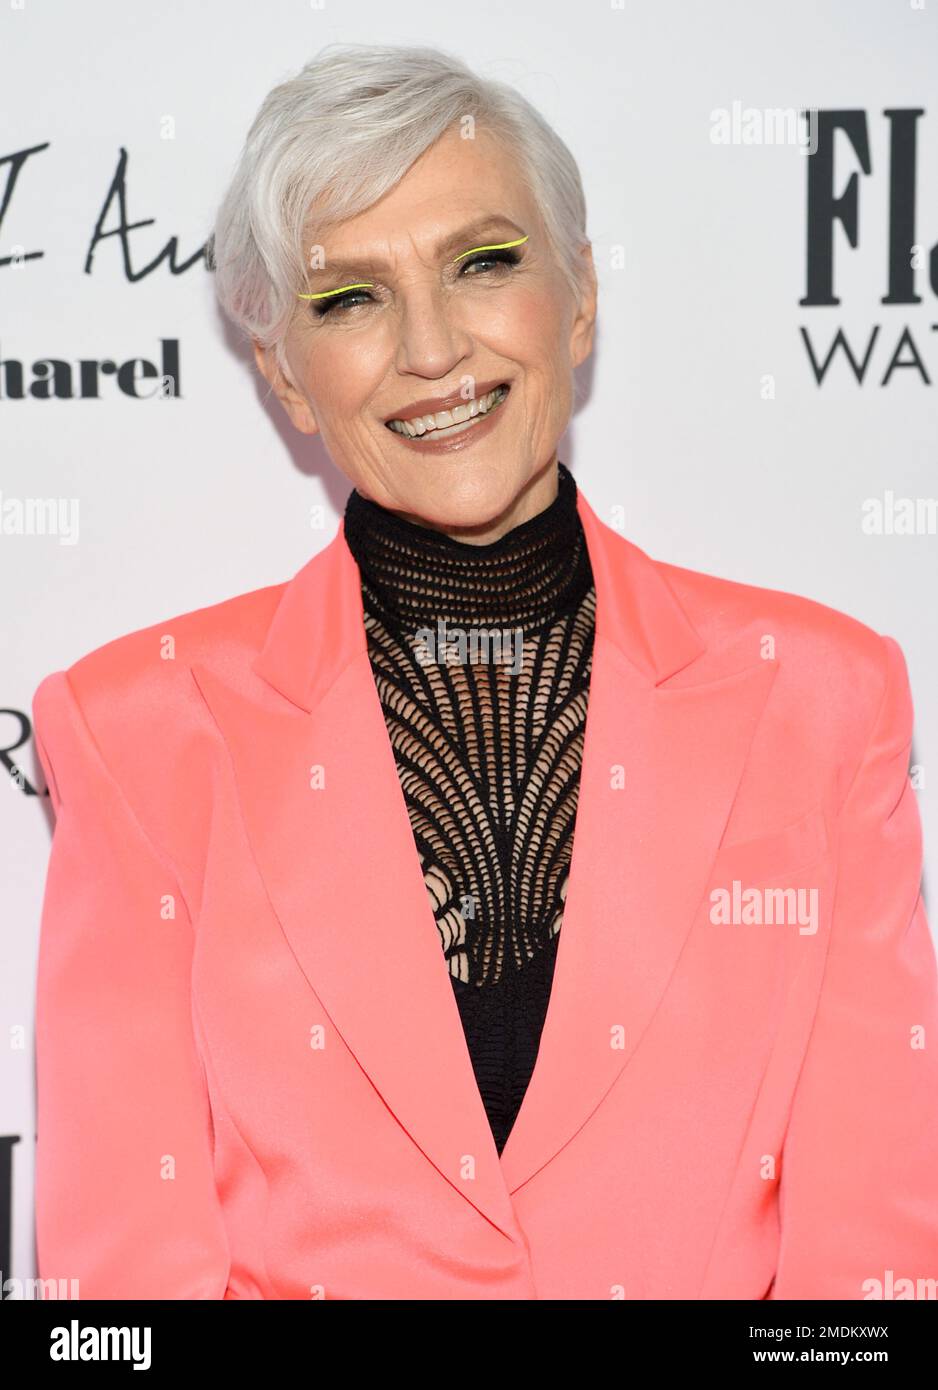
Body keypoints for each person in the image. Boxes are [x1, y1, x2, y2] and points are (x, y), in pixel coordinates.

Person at [32, 42, 938, 1300]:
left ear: (576, 299)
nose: (430, 346)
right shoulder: (137, 731)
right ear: (284, 375)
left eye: (483, 261)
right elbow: (121, 1290)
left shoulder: (821, 700)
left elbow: (869, 1280)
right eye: (348, 296)